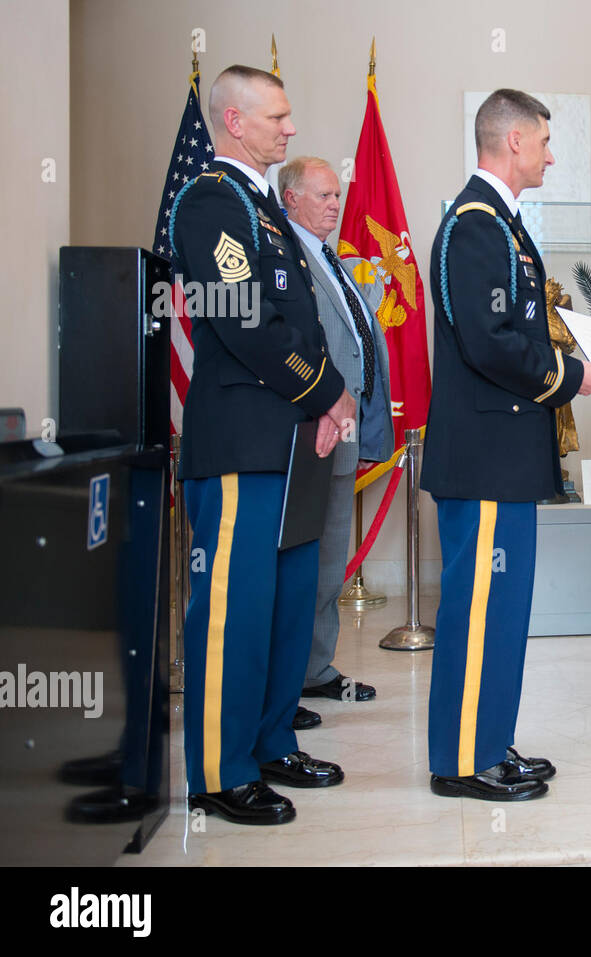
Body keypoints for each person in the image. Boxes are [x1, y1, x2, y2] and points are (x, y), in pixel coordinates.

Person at [171, 66, 352, 825]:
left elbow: (299, 322)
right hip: (245, 443)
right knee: (233, 610)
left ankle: (272, 740)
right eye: (278, 116)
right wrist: (326, 393)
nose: (291, 127)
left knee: (282, 604)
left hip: (292, 445)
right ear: (236, 121)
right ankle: (220, 768)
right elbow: (246, 323)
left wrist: (323, 403)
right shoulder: (212, 201)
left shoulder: (267, 211)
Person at [421, 89, 591, 801]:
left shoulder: (500, 223)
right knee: (477, 611)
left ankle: (489, 740)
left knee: (502, 611)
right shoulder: (474, 224)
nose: (551, 156)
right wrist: (572, 375)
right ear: (512, 144)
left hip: (506, 454)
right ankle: (461, 761)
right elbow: (491, 343)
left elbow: (524, 327)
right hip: (483, 456)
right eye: (543, 143)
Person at [281, 156, 392, 723]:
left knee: (328, 561)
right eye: (322, 195)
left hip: (344, 432)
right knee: (298, 562)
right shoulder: (286, 255)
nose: (335, 204)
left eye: (337, 195)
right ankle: (284, 683)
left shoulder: (332, 260)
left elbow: (359, 344)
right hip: (307, 434)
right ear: (291, 198)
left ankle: (314, 669)